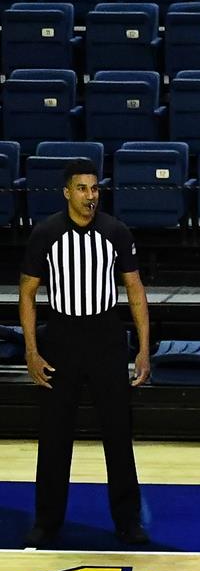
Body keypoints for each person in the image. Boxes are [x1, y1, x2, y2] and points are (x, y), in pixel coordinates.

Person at [18, 162, 151, 549]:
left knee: (118, 434)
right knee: (54, 435)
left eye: (94, 189)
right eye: (82, 189)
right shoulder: (46, 233)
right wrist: (31, 350)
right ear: (67, 192)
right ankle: (46, 522)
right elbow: (27, 294)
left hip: (106, 336)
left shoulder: (115, 232)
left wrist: (143, 349)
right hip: (61, 336)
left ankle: (128, 523)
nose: (90, 196)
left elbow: (135, 289)